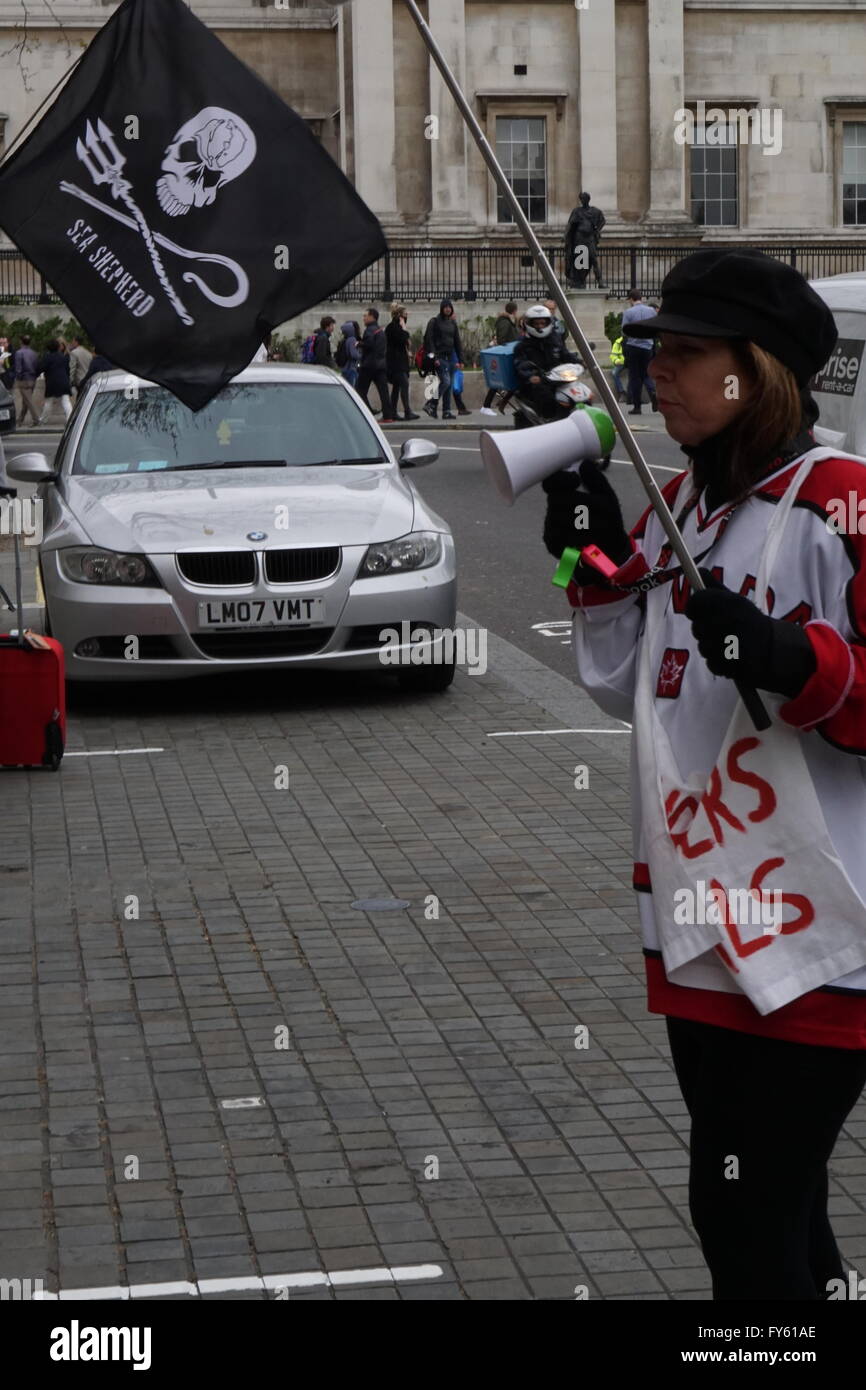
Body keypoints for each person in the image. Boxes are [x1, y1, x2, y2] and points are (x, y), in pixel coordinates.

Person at [542, 246, 866, 1301]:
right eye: (652, 354)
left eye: (686, 355)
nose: (657, 376)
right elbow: (626, 681)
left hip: (822, 927)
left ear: (756, 371)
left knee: (743, 1208)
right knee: (774, 1203)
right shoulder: (678, 504)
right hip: (701, 919)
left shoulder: (839, 502)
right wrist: (581, 561)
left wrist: (791, 658)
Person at [513, 304, 579, 421]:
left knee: (577, 391)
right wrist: (531, 375)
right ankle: (549, 419)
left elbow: (565, 354)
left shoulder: (555, 339)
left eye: (543, 323)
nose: (540, 326)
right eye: (537, 324)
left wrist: (580, 362)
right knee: (545, 394)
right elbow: (520, 364)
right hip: (538, 381)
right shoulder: (523, 345)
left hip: (557, 378)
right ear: (529, 324)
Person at [423, 298, 464, 420]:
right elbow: (429, 340)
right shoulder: (434, 322)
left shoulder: (452, 323)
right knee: (445, 381)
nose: (448, 309)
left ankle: (446, 411)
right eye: (445, 306)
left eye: (449, 307)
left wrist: (461, 360)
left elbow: (457, 342)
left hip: (450, 357)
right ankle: (431, 403)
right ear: (441, 308)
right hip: (439, 357)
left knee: (449, 385)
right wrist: (433, 356)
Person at [621, 288, 658, 415]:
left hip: (634, 346)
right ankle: (653, 392)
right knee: (647, 374)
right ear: (641, 298)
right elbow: (656, 326)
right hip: (648, 347)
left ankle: (637, 406)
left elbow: (624, 330)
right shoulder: (652, 311)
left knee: (635, 376)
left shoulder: (628, 312)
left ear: (631, 299)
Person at [482, 301, 520, 414]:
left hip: (509, 353)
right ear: (514, 311)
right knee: (498, 382)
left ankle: (499, 404)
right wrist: (506, 348)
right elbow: (502, 338)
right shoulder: (505, 322)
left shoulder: (508, 321)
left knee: (511, 381)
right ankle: (486, 406)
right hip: (506, 355)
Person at [356, 307, 392, 421]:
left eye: (365, 315)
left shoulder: (369, 330)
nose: (363, 318)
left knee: (359, 391)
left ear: (372, 317)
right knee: (383, 392)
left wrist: (359, 344)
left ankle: (366, 414)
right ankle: (388, 416)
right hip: (380, 365)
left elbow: (369, 344)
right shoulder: (380, 330)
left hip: (368, 366)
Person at [565, 191, 606, 289]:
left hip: (589, 238)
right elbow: (570, 225)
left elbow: (603, 221)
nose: (582, 200)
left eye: (584, 198)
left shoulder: (595, 211)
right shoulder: (577, 211)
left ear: (588, 199)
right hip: (579, 238)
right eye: (581, 199)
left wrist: (597, 230)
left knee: (593, 259)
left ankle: (600, 282)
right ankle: (579, 282)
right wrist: (566, 236)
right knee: (579, 261)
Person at [385, 304, 418, 421]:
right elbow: (403, 338)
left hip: (399, 362)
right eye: (405, 314)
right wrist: (404, 327)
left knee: (397, 387)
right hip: (396, 363)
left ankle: (393, 411)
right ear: (399, 316)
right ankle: (407, 411)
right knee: (404, 384)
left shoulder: (395, 327)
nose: (407, 316)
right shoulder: (393, 327)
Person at [13, 335, 40, 427]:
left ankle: (36, 420)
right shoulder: (34, 353)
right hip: (33, 379)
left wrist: (18, 378)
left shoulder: (19, 353)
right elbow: (37, 367)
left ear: (21, 342)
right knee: (26, 401)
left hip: (24, 379)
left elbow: (18, 368)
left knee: (28, 401)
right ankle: (20, 420)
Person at [336, 320, 361, 387]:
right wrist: (361, 356)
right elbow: (353, 354)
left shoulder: (345, 340)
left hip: (344, 368)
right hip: (351, 368)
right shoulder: (352, 339)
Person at [609, 332, 626, 402]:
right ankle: (622, 392)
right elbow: (613, 355)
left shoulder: (633, 341)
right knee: (614, 373)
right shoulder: (618, 343)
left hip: (631, 362)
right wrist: (617, 360)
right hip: (621, 363)